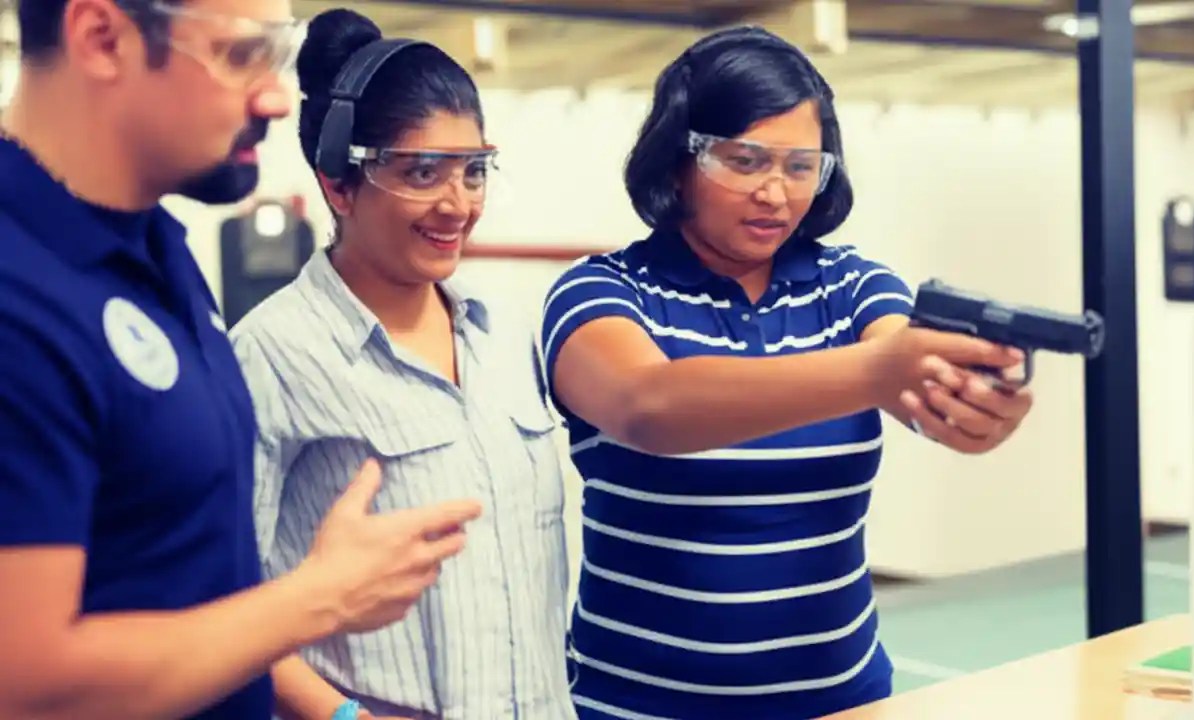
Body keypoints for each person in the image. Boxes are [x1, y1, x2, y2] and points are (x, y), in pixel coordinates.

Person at [0, 2, 481, 719]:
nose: (277, 96)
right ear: (102, 38)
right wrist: (316, 600)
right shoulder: (18, 290)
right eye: (238, 54)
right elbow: (26, 688)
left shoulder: (155, 252)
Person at [540, 26, 1037, 720]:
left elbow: (919, 380)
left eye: (802, 167)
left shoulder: (853, 284)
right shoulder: (602, 291)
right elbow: (649, 406)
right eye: (746, 162)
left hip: (843, 703)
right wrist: (881, 370)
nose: (776, 194)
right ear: (678, 161)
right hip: (635, 709)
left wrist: (974, 402)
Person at [227, 9, 575, 720]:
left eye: (473, 171)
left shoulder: (503, 340)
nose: (457, 205)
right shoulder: (275, 353)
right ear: (339, 186)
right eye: (423, 173)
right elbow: (225, 601)